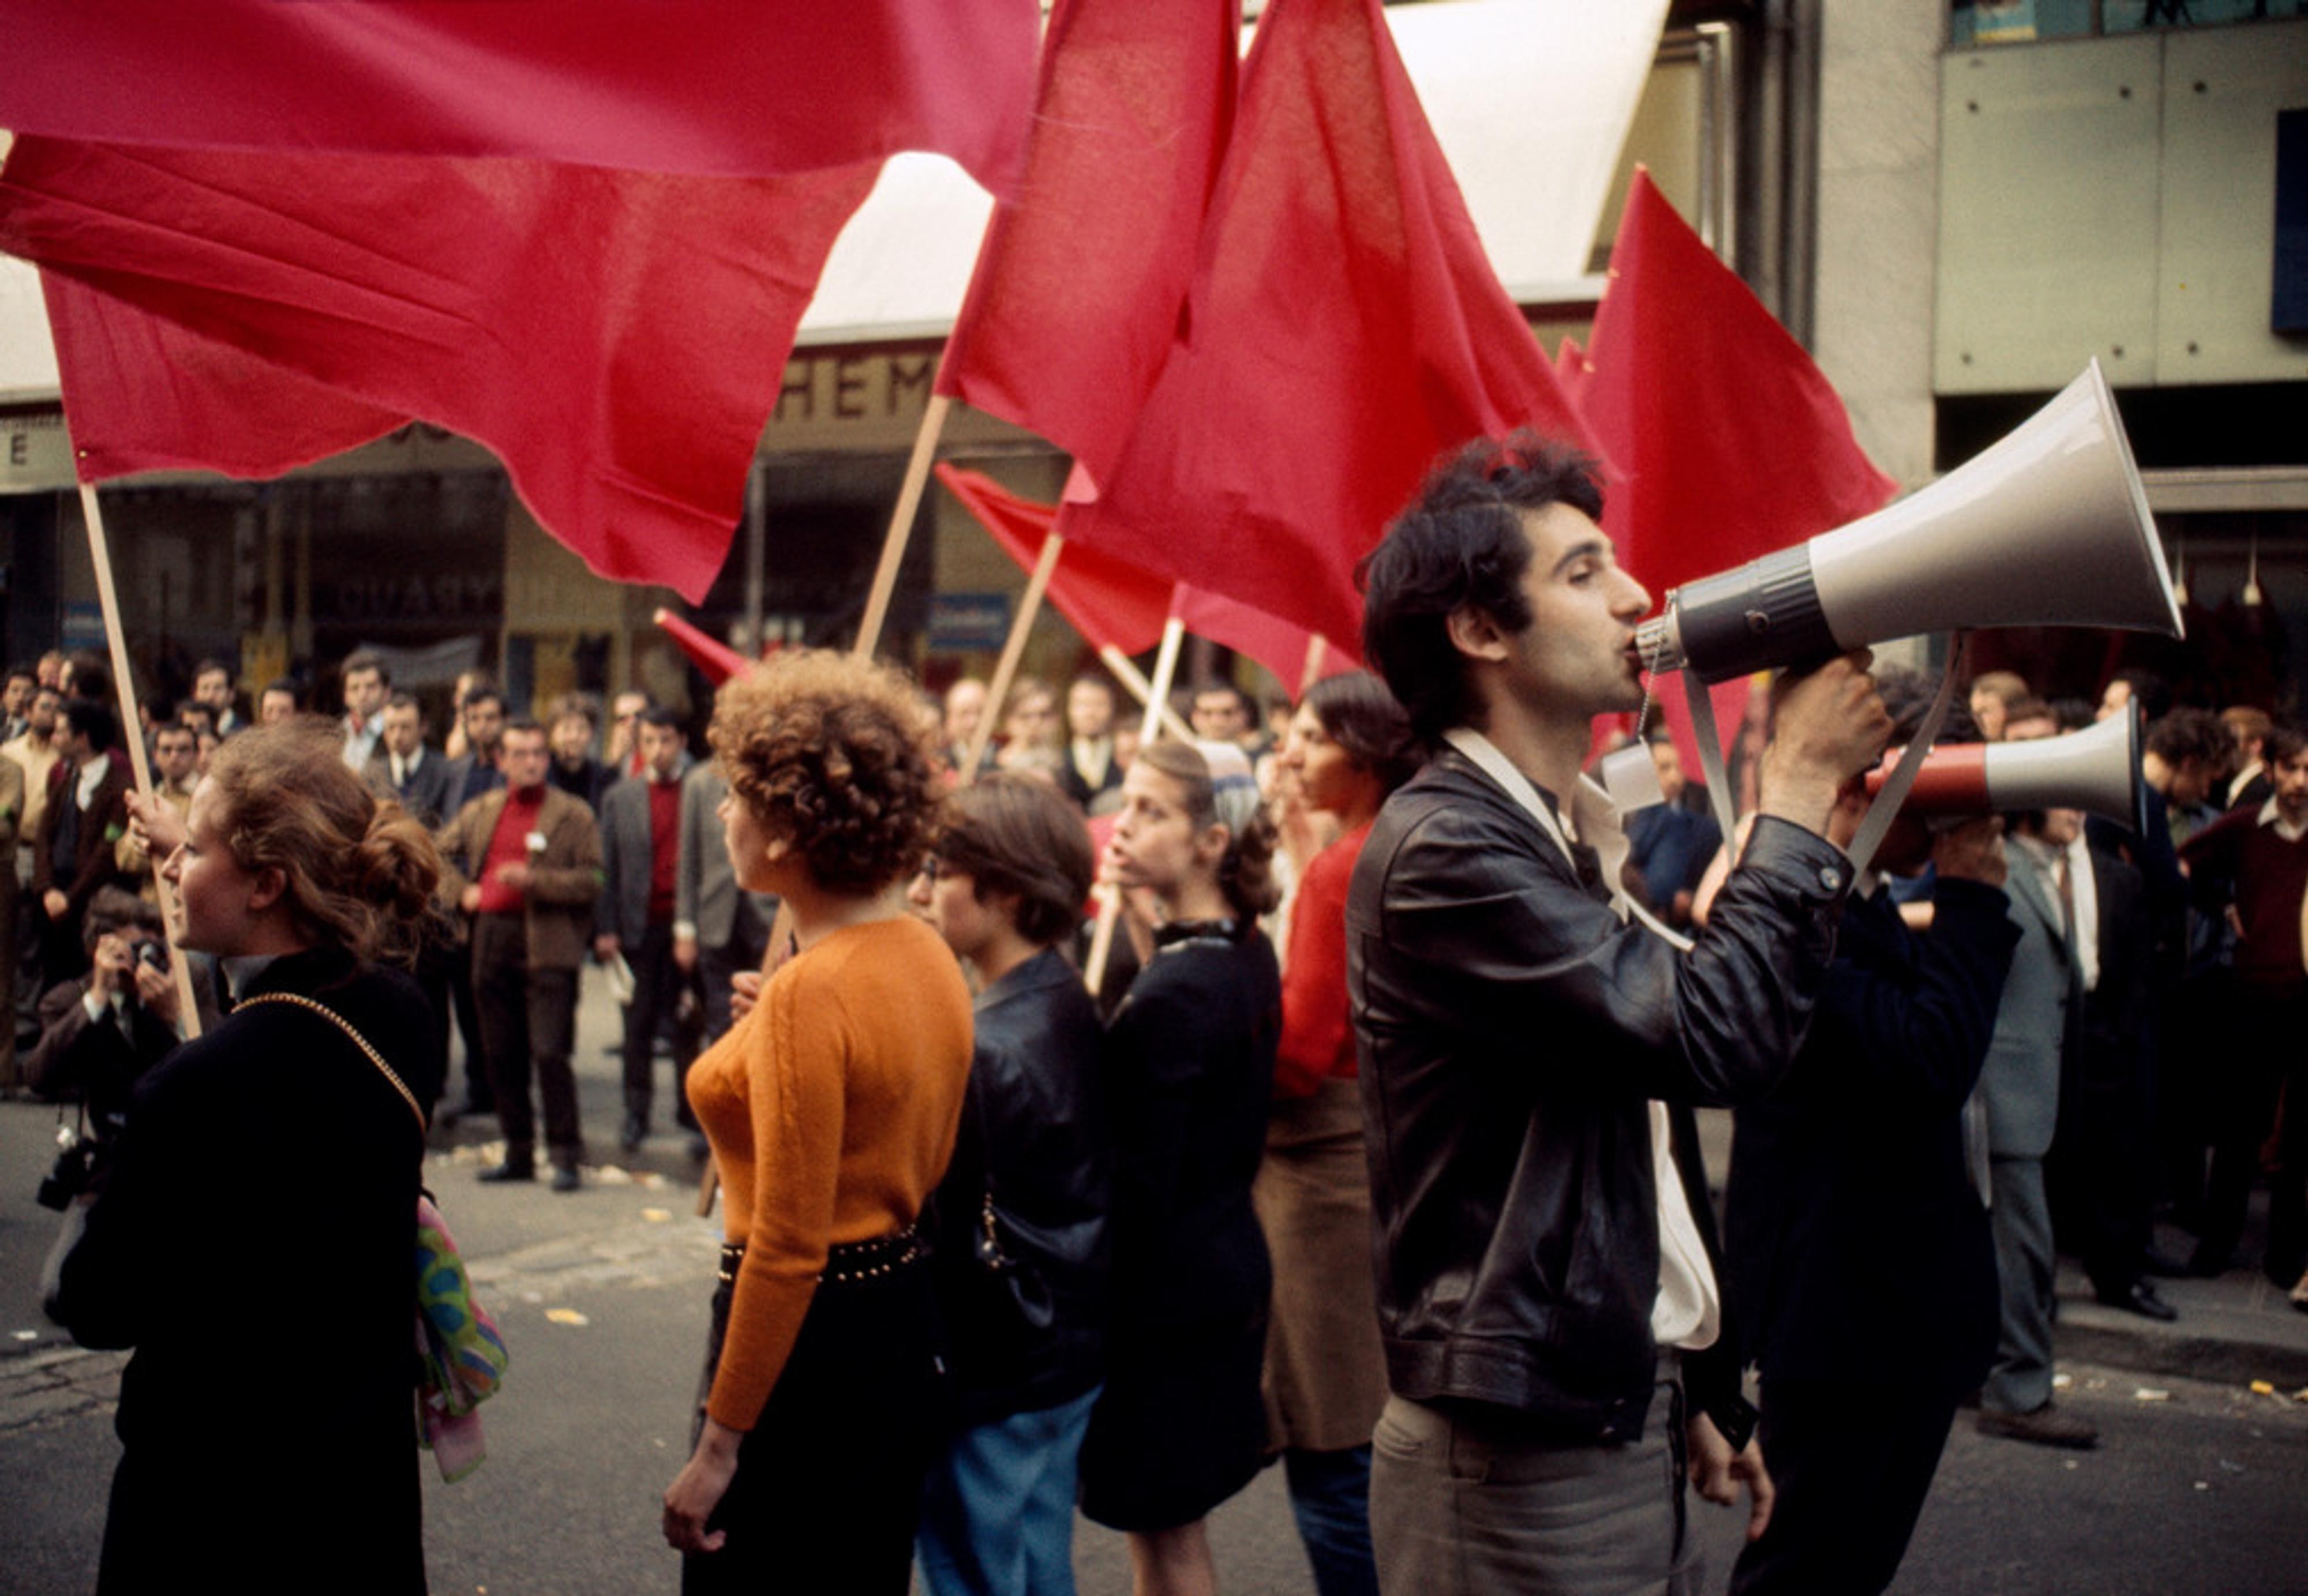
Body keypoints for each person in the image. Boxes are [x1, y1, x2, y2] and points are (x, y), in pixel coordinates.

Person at [1348, 432, 1889, 1594]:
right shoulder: (1448, 847)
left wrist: (1689, 1378)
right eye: (1581, 573)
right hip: (1514, 1450)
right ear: (1480, 633)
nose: (1638, 594)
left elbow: (1633, 1125)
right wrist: (1790, 793)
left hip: (1588, 1406)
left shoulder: (1548, 834)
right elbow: (1713, 1039)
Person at [51, 720, 445, 1594]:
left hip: (212, 1505)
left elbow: (97, 1301)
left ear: (268, 883)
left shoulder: (196, 1087)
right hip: (357, 1491)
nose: (167, 867)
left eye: (190, 850)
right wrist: (202, 840)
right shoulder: (403, 1016)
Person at [661, 650, 971, 1595]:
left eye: (741, 795)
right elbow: (900, 1126)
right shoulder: (927, 950)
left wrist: (720, 1447)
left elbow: (787, 1246)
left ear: (791, 829)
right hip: (894, 1325)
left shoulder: (811, 993)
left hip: (806, 1344)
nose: (722, 811)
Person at [1721, 690, 2018, 1594]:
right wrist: (1969, 894)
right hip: (1843, 1320)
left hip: (1887, 1318)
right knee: (1804, 1570)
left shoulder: (1852, 898)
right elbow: (1929, 1060)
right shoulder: (1796, 913)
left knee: (1846, 1568)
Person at [1077, 738, 1282, 1596]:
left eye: (1152, 811)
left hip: (1164, 1297)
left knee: (1170, 1535)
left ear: (1211, 842)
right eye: (1128, 805)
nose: (1124, 826)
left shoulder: (1179, 992)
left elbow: (1138, 1183)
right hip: (1217, 1266)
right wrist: (1136, 918)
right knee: (1160, 1528)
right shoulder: (1241, 946)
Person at [912, 775, 1111, 1596]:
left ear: (1001, 893)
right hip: (1065, 1346)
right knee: (1033, 1560)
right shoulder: (1064, 993)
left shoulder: (988, 1044)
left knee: (982, 1569)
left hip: (1006, 1359)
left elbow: (943, 1223)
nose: (921, 890)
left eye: (941, 871)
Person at [1262, 672, 1418, 1596]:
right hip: (1396, 1147)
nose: (1290, 754)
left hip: (1325, 1179)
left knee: (1332, 1441)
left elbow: (1298, 1054)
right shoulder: (1403, 838)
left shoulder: (1341, 867)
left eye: (1310, 737)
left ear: (1362, 754)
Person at [436, 718, 601, 1190]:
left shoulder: (573, 814)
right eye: (521, 754)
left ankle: (566, 1154)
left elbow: (596, 880)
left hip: (547, 943)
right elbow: (435, 854)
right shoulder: (483, 808)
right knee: (500, 1053)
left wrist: (538, 882)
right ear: (503, 761)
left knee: (550, 1052)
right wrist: (460, 891)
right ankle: (518, 1151)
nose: (531, 762)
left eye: (538, 754)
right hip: (490, 938)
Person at [595, 705, 698, 1151]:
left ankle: (689, 1108)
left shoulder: (698, 790)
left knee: (686, 1021)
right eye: (650, 741)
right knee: (635, 1024)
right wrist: (607, 928)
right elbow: (607, 870)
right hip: (638, 928)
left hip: (684, 926)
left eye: (667, 740)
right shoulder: (621, 798)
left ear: (682, 743)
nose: (658, 750)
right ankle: (636, 1110)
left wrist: (689, 929)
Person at [340, 649, 391, 771]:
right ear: (345, 695)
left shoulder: (395, 732)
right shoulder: (334, 735)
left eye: (370, 686)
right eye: (354, 688)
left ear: (387, 693)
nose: (362, 695)